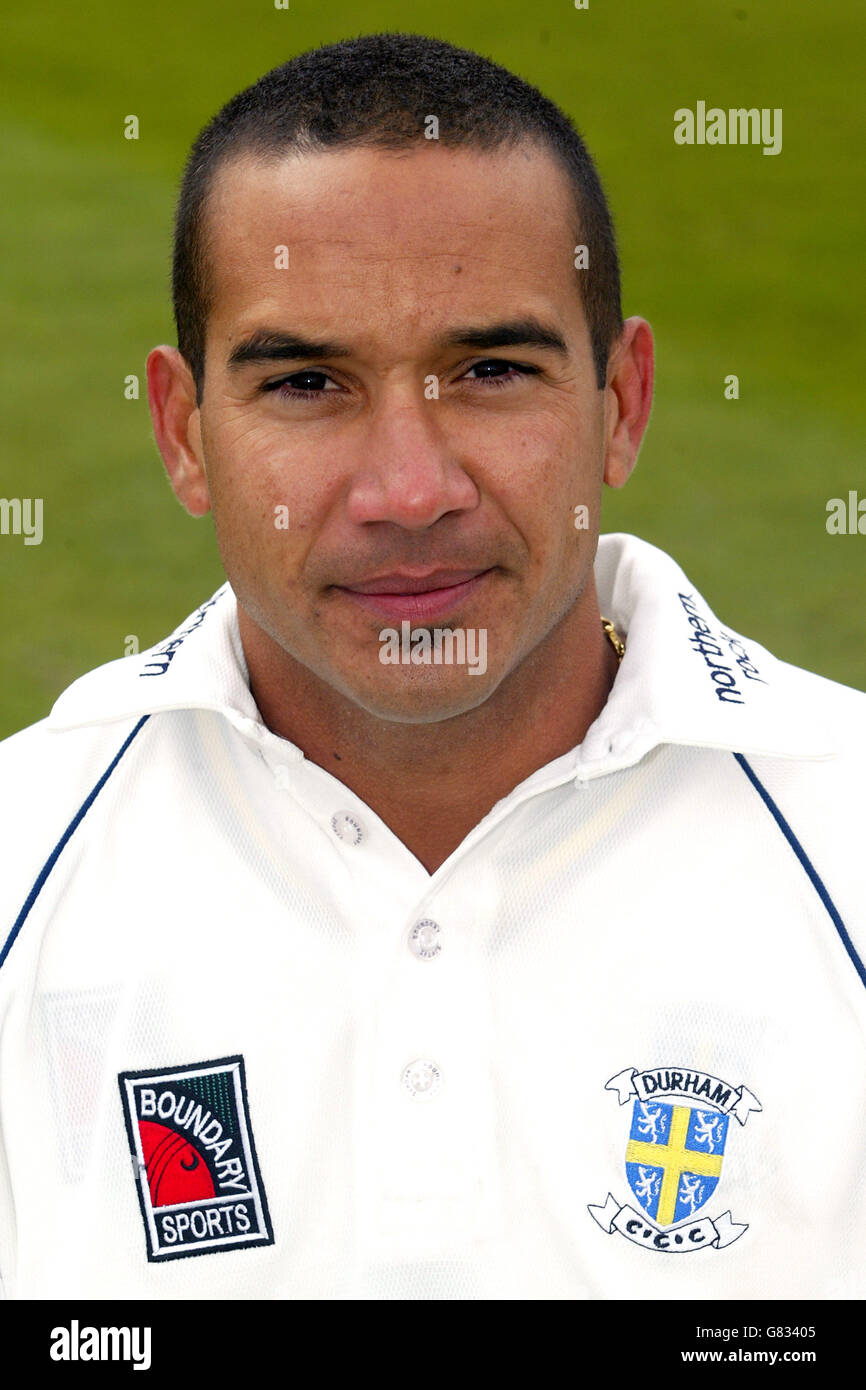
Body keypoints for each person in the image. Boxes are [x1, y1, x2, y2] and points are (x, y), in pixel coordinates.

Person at [0, 32, 863, 1302]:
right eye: (305, 382)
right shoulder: (23, 860)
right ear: (186, 435)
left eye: (491, 371)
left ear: (621, 403)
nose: (409, 491)